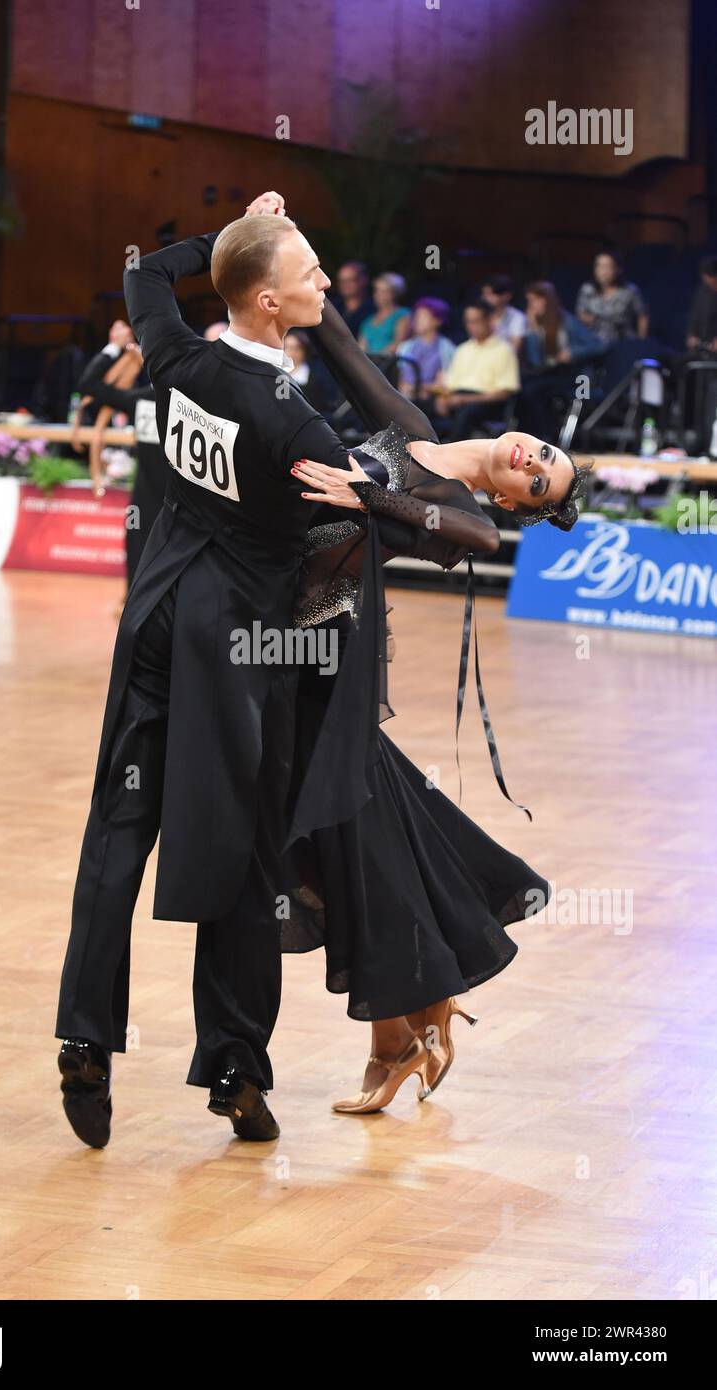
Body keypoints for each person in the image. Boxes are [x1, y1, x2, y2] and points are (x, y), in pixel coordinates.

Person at [53, 193, 441, 1146]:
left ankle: (84, 1041)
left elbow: (147, 270)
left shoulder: (178, 352)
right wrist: (412, 493)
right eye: (308, 272)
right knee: (243, 853)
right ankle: (233, 1065)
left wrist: (230, 234)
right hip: (237, 651)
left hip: (153, 619)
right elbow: (382, 498)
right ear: (268, 301)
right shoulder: (293, 423)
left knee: (118, 830)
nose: (323, 282)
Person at [282, 298, 590, 1111]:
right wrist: (284, 243)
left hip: (328, 657)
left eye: (537, 480)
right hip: (281, 640)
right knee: (372, 834)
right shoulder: (407, 425)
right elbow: (339, 340)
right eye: (544, 455)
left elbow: (476, 542)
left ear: (520, 501)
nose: (530, 460)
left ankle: (406, 1026)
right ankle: (421, 1010)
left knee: (345, 838)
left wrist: (366, 495)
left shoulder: (469, 519)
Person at [72, 319, 164, 585]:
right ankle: (133, 601)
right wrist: (113, 348)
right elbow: (89, 385)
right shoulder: (142, 399)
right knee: (136, 544)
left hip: (183, 502)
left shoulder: (195, 399)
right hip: (146, 498)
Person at [517, 281, 603, 440]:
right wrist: (534, 330)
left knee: (533, 391)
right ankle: (538, 435)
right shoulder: (534, 325)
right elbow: (536, 363)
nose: (530, 305)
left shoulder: (567, 321)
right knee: (525, 389)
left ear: (544, 300)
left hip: (573, 375)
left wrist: (573, 353)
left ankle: (546, 436)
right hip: (548, 373)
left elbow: (598, 345)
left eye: (533, 301)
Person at [434, 300, 520, 441]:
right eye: (468, 322)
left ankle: (447, 452)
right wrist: (441, 398)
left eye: (476, 321)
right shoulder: (462, 349)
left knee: (467, 412)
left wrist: (465, 399)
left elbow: (504, 393)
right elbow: (450, 384)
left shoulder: (504, 350)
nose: (471, 326)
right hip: (457, 397)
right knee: (419, 404)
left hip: (486, 402)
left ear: (489, 320)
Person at [575, 251, 649, 345]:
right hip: (593, 342)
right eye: (599, 266)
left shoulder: (630, 290)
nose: (602, 271)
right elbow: (580, 315)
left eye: (606, 266)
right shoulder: (587, 289)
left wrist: (641, 342)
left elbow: (643, 315)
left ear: (618, 269)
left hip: (623, 340)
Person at [395, 297, 456, 400]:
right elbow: (399, 379)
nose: (417, 320)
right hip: (405, 397)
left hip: (430, 399)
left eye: (423, 316)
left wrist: (421, 389)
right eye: (416, 316)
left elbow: (444, 383)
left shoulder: (446, 348)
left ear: (437, 320)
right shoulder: (406, 347)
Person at [358, 273, 411, 354]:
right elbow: (361, 347)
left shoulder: (403, 315)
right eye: (377, 290)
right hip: (368, 363)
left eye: (384, 291)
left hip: (390, 363)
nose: (379, 295)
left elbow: (399, 343)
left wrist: (376, 360)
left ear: (395, 293)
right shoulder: (368, 320)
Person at [481, 274, 527, 352]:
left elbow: (514, 349)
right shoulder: (481, 315)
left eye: (490, 294)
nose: (485, 298)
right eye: (484, 294)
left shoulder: (517, 317)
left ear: (506, 296)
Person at [331, 260, 374, 337]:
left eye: (350, 280)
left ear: (364, 280)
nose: (345, 285)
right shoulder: (332, 306)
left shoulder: (375, 309)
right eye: (341, 281)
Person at [686, 255, 717, 353]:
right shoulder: (702, 292)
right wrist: (692, 335)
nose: (711, 286)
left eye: (713, 283)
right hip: (703, 347)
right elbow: (695, 317)